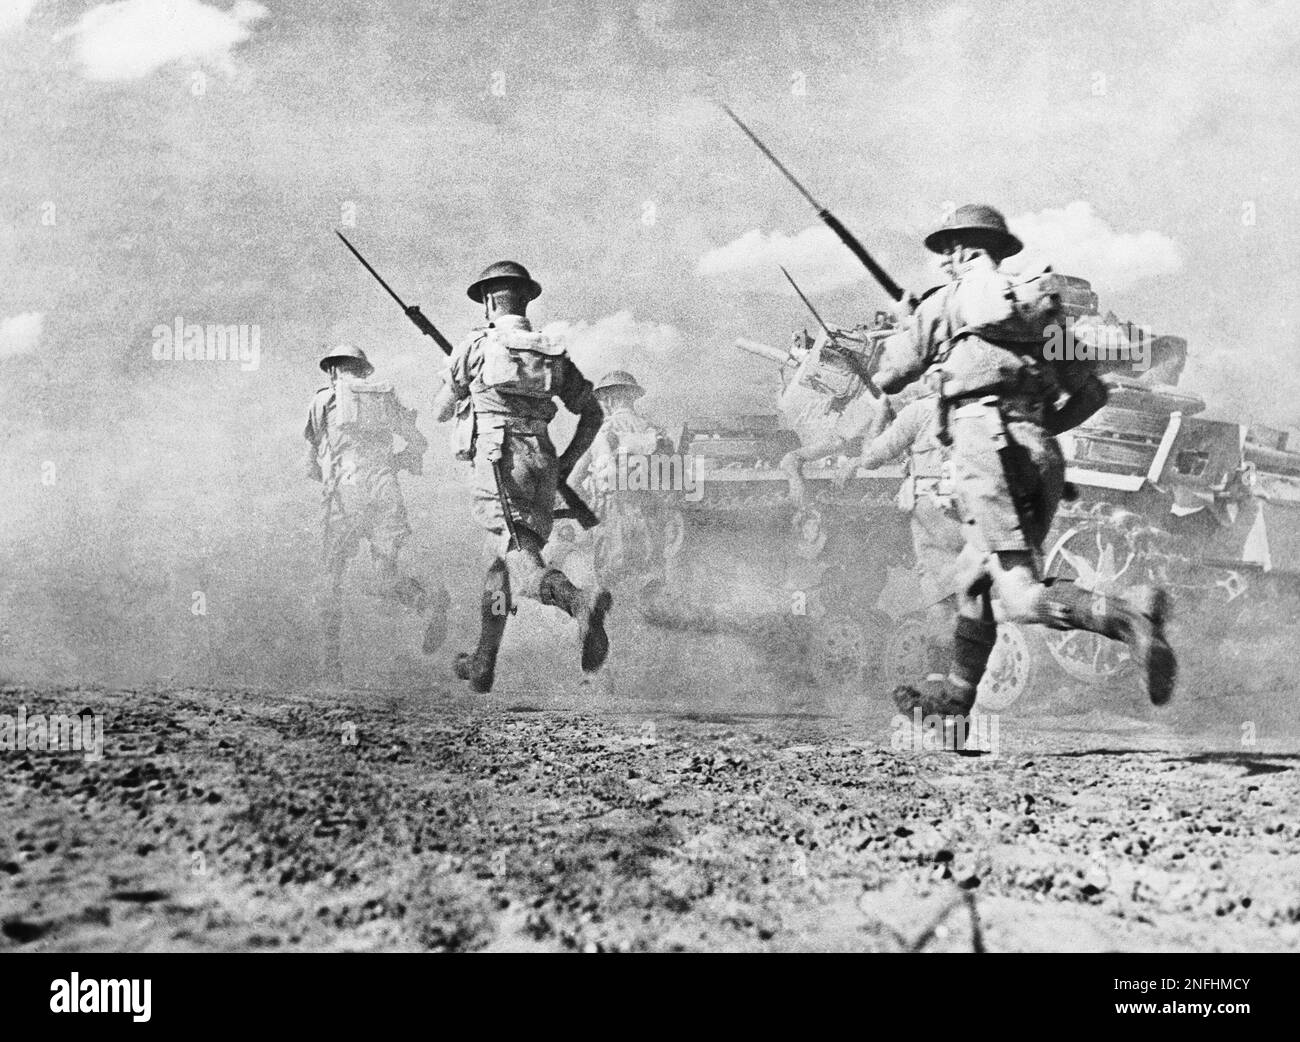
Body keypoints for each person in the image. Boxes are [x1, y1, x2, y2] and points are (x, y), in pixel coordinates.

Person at [874, 204, 1176, 727]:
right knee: (974, 580)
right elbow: (1093, 393)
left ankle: (1131, 616)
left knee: (1017, 593)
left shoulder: (945, 301)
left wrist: (911, 321)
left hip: (982, 451)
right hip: (1040, 452)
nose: (944, 262)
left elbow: (889, 377)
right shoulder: (1044, 313)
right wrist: (1032, 428)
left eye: (947, 252)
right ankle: (953, 703)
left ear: (961, 250)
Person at [435, 261, 611, 693]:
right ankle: (483, 661)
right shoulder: (551, 352)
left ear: (491, 300)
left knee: (523, 564)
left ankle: (578, 602)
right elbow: (593, 412)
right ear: (526, 298)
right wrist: (566, 463)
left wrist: (462, 384)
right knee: (501, 561)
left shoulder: (476, 345)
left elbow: (439, 410)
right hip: (542, 463)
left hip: (499, 463)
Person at [304, 344, 448, 684]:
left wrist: (327, 474)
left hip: (345, 490)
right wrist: (391, 465)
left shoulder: (323, 400)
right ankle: (425, 601)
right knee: (385, 575)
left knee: (331, 577)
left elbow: (309, 463)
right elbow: (418, 444)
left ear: (333, 370)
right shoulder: (384, 398)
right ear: (363, 370)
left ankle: (331, 670)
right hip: (385, 489)